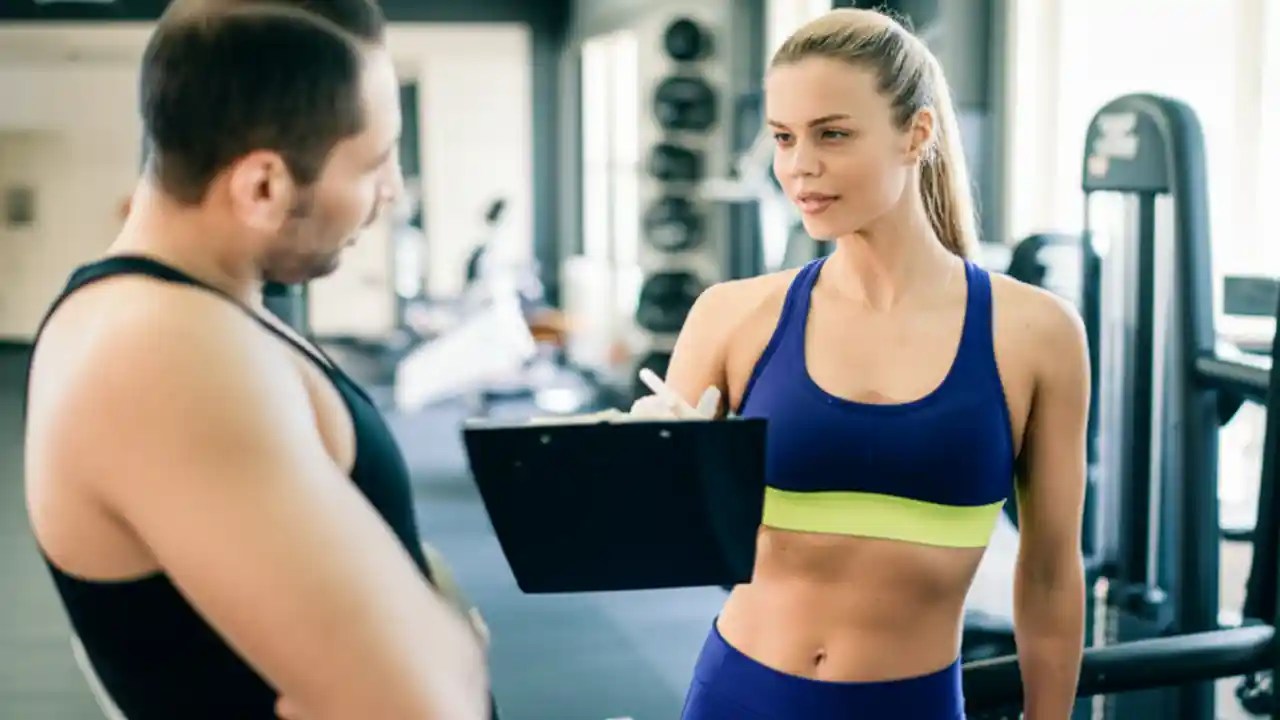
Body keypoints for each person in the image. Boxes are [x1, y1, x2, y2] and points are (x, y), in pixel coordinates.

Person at [23, 2, 492, 719]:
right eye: (374, 162)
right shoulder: (158, 352)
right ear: (263, 186)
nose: (393, 191)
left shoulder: (202, 316)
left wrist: (432, 635)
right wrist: (445, 642)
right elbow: (418, 706)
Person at [636, 9, 1088, 719]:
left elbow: (1052, 574)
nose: (799, 166)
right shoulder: (732, 315)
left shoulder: (1035, 333)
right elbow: (657, 546)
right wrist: (655, 457)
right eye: (783, 138)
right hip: (740, 693)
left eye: (832, 134)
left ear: (917, 133)